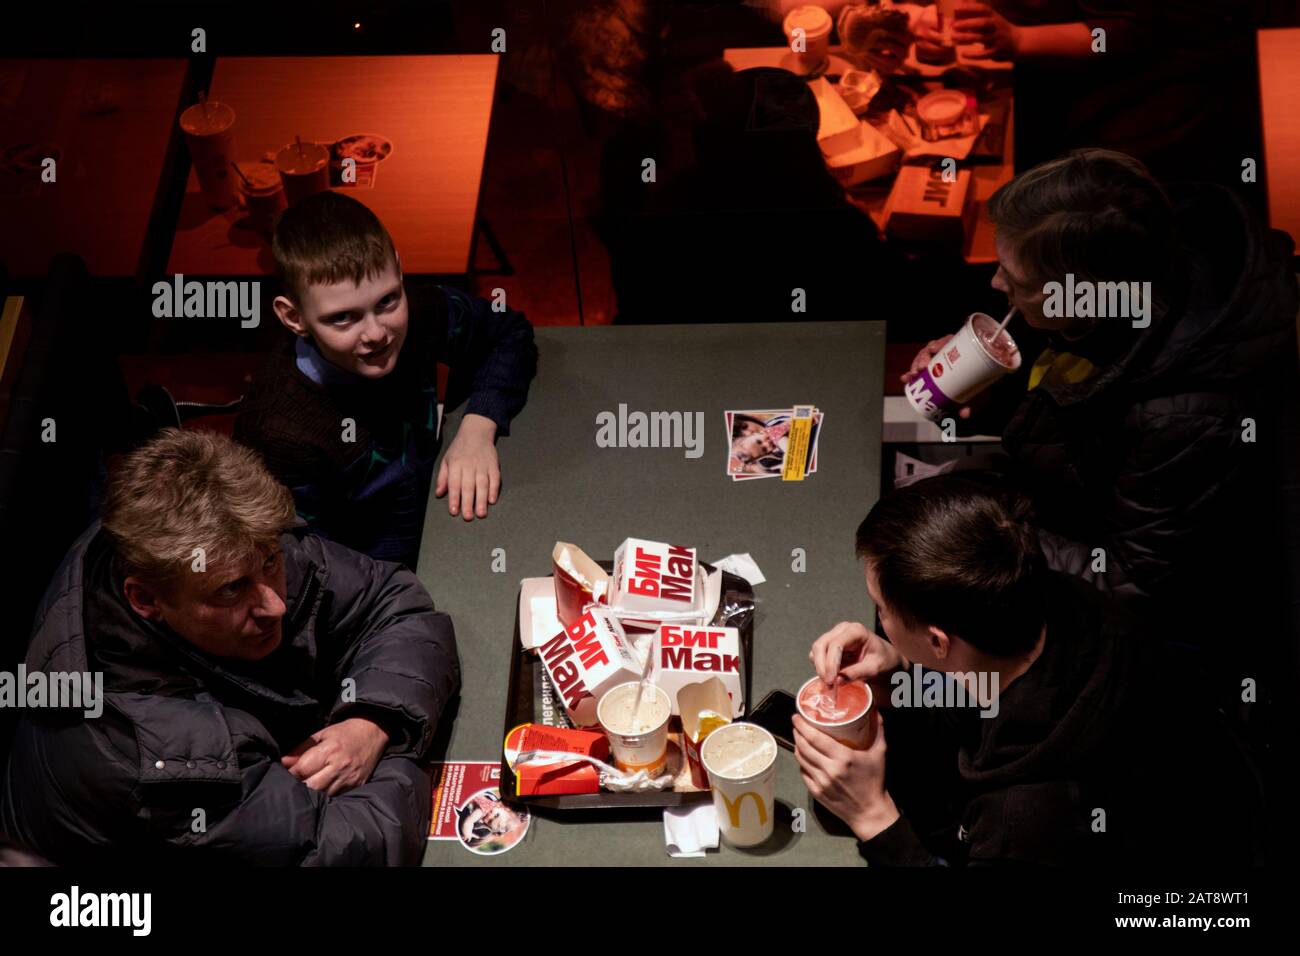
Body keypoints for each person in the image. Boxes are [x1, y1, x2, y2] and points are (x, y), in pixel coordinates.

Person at [0, 429, 459, 865]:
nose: (275, 605)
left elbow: (393, 604)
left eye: (272, 562)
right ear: (145, 600)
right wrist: (407, 743)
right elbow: (351, 848)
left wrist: (372, 721)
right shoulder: (143, 754)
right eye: (230, 591)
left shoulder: (232, 545)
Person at [794, 476, 1258, 865]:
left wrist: (873, 817)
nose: (879, 623)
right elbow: (983, 690)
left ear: (938, 640)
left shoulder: (1024, 818)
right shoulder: (1054, 592)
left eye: (881, 611)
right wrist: (903, 676)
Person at [234, 191, 537, 569]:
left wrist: (477, 428)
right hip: (382, 586)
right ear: (293, 317)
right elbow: (311, 566)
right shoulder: (277, 432)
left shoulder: (421, 312)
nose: (376, 333)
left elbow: (508, 332)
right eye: (343, 318)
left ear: (398, 269)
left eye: (387, 301)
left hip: (455, 521)